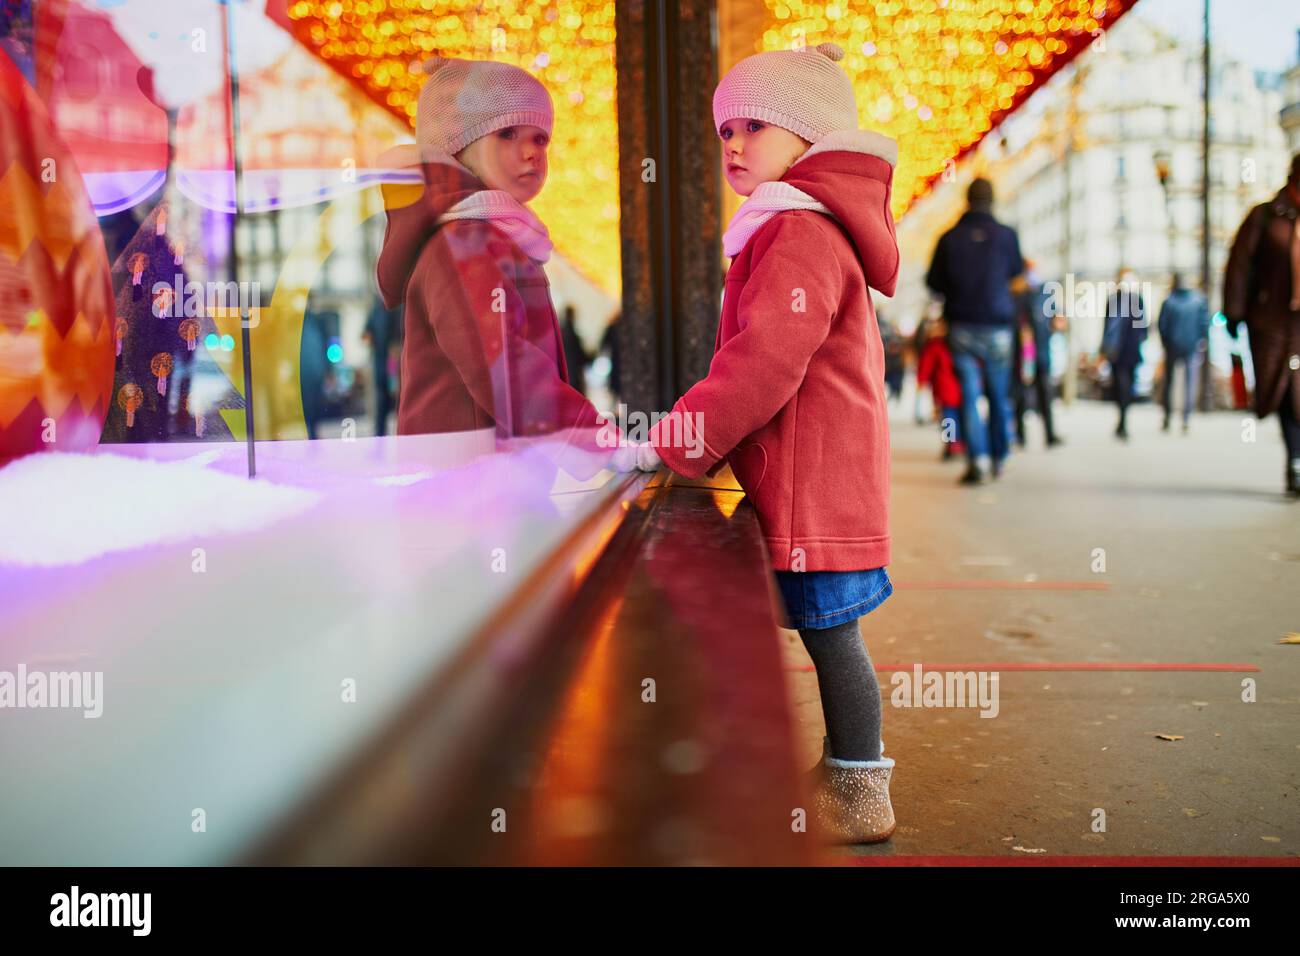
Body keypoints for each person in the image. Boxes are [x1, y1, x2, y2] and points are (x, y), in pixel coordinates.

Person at [642, 43, 900, 844]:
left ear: (807, 137)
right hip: (809, 481)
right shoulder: (793, 224)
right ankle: (839, 769)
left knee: (832, 636)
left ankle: (863, 789)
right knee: (819, 633)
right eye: (724, 129)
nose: (731, 143)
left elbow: (763, 364)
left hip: (815, 490)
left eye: (753, 125)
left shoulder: (798, 228)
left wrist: (679, 439)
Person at [375, 56, 605, 442]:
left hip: (490, 479)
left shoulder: (495, 233)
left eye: (540, 138)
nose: (532, 151)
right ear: (458, 146)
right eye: (507, 133)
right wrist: (592, 439)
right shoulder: (464, 240)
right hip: (470, 485)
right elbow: (500, 364)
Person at [925, 177, 1024, 485]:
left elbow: (933, 283)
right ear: (992, 200)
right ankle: (1000, 457)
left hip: (962, 325)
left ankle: (977, 460)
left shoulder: (949, 238)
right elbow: (1017, 273)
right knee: (997, 392)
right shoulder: (1007, 237)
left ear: (967, 200)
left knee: (968, 394)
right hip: (997, 325)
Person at [1223, 152, 1300, 498]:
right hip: (1271, 320)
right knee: (1281, 388)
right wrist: (1234, 313)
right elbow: (1239, 266)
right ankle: (1296, 459)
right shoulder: (1266, 216)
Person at [1011, 261, 1064, 448]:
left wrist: (1057, 321)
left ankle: (1050, 434)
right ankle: (1019, 434)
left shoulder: (1044, 291)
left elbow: (1055, 316)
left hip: (1042, 350)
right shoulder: (1016, 292)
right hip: (1022, 352)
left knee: (1045, 393)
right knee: (1020, 394)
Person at [1156, 273, 1209, 435]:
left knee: (1169, 383)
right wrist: (1201, 340)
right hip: (1191, 346)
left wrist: (1166, 343)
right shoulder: (1198, 301)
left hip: (1172, 346)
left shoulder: (1169, 301)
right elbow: (1204, 324)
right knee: (1189, 383)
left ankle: (1167, 416)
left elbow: (1162, 325)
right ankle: (1186, 417)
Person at [1100, 269, 1148, 441]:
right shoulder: (1116, 300)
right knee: (1121, 385)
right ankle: (1122, 419)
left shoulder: (1134, 300)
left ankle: (1123, 420)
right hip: (1119, 351)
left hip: (1128, 351)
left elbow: (1142, 326)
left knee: (1125, 385)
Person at [916, 317, 966, 460]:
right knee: (961, 417)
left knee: (948, 419)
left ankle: (951, 445)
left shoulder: (935, 345)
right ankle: (961, 442)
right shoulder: (961, 344)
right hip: (960, 388)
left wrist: (921, 380)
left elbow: (926, 364)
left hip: (945, 389)